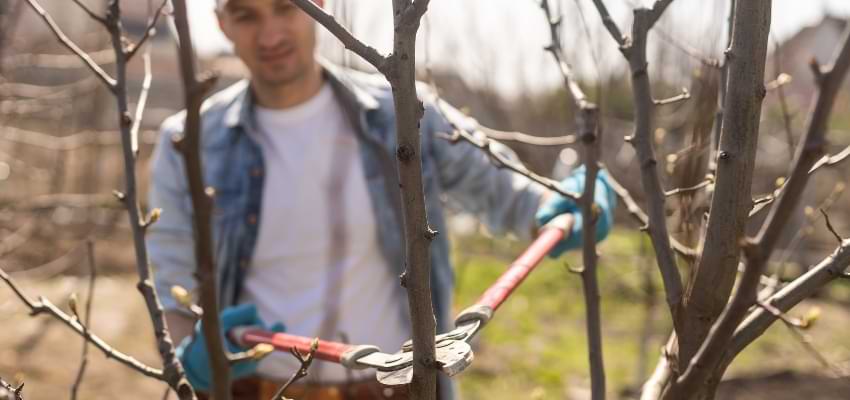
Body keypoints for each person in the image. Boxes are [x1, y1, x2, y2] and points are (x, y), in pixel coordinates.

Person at [147, 0, 616, 399]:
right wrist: (194, 352)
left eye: (286, 6)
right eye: (245, 15)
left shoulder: (405, 112)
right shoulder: (187, 144)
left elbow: (509, 195)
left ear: (320, 5)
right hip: (260, 391)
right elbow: (173, 286)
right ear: (222, 23)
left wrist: (571, 204)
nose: (270, 33)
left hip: (394, 390)